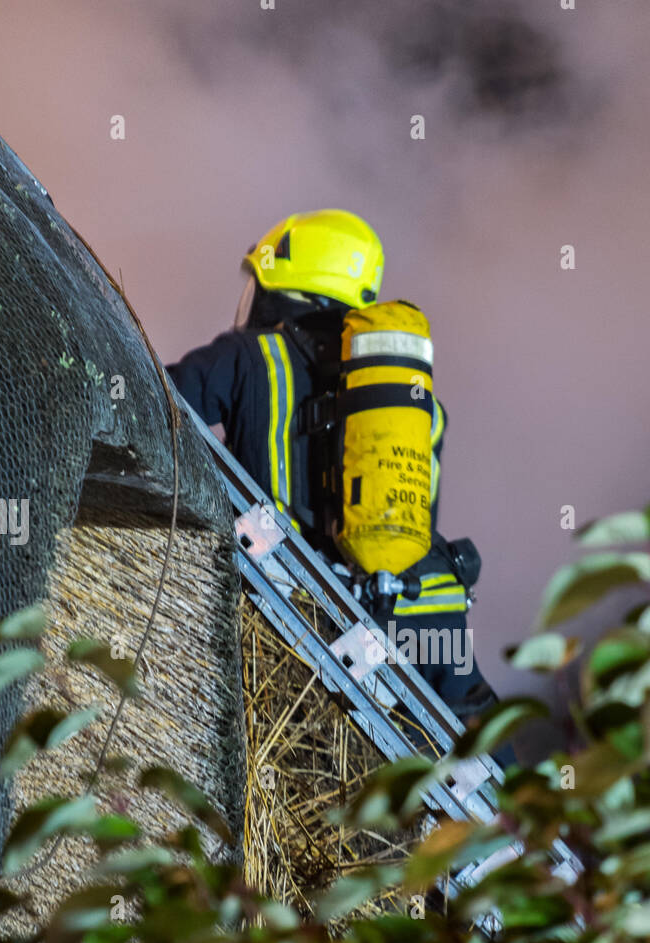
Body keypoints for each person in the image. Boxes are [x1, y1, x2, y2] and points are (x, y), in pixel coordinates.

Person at [167, 209, 498, 723]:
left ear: (284, 286)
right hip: (417, 618)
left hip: (293, 597)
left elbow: (152, 404)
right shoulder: (416, 405)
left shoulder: (249, 356)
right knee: (489, 740)